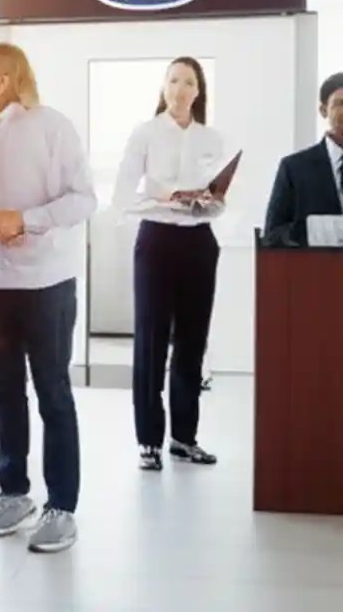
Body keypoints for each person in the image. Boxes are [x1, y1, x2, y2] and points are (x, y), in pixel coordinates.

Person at [0, 43, 95, 553]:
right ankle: (14, 492)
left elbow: (83, 199)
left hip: (45, 284)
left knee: (52, 391)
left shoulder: (52, 126)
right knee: (4, 390)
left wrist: (24, 222)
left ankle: (61, 506)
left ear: (5, 81)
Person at [112, 57, 226, 471]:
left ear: (199, 91)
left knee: (192, 342)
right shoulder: (144, 134)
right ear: (163, 87)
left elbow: (221, 202)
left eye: (189, 82)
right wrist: (167, 196)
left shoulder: (211, 138)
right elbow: (123, 198)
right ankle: (148, 440)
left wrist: (206, 203)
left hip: (199, 242)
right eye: (174, 80)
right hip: (156, 241)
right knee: (151, 340)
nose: (180, 89)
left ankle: (184, 438)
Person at [263, 72, 343, 245]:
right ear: (323, 110)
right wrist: (318, 230)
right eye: (340, 104)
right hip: (315, 269)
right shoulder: (294, 168)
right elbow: (273, 235)